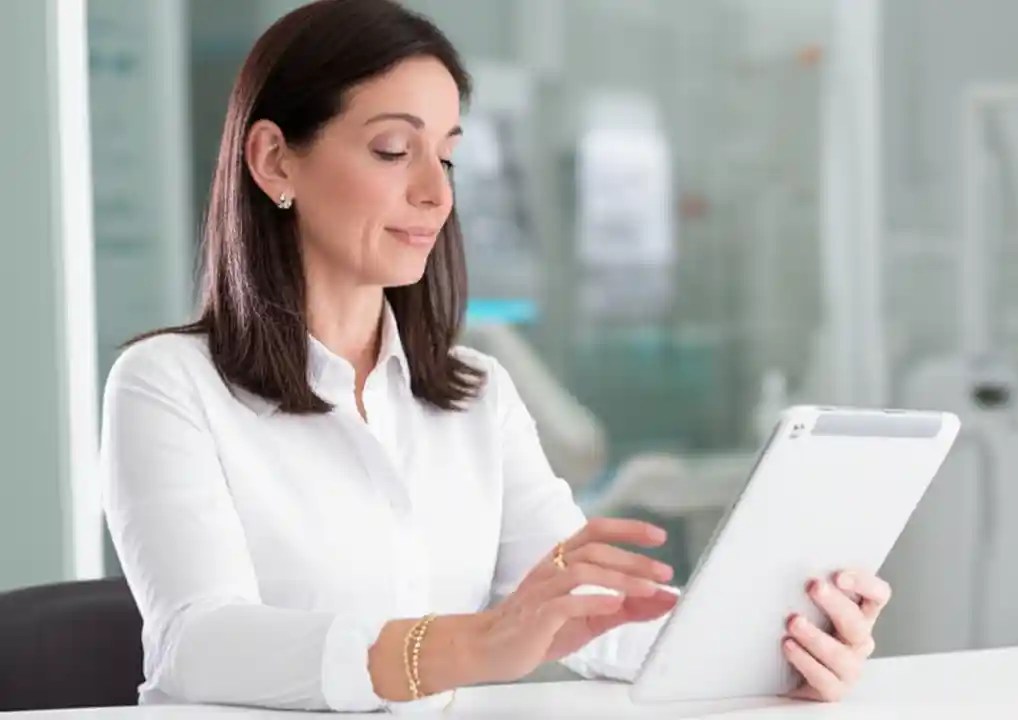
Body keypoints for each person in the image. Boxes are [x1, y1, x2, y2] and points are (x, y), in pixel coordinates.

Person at [100, 0, 891, 711]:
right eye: (390, 149)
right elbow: (196, 643)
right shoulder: (168, 385)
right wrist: (473, 645)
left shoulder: (476, 391)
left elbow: (581, 606)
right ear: (274, 160)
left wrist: (777, 646)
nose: (436, 194)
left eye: (444, 155)